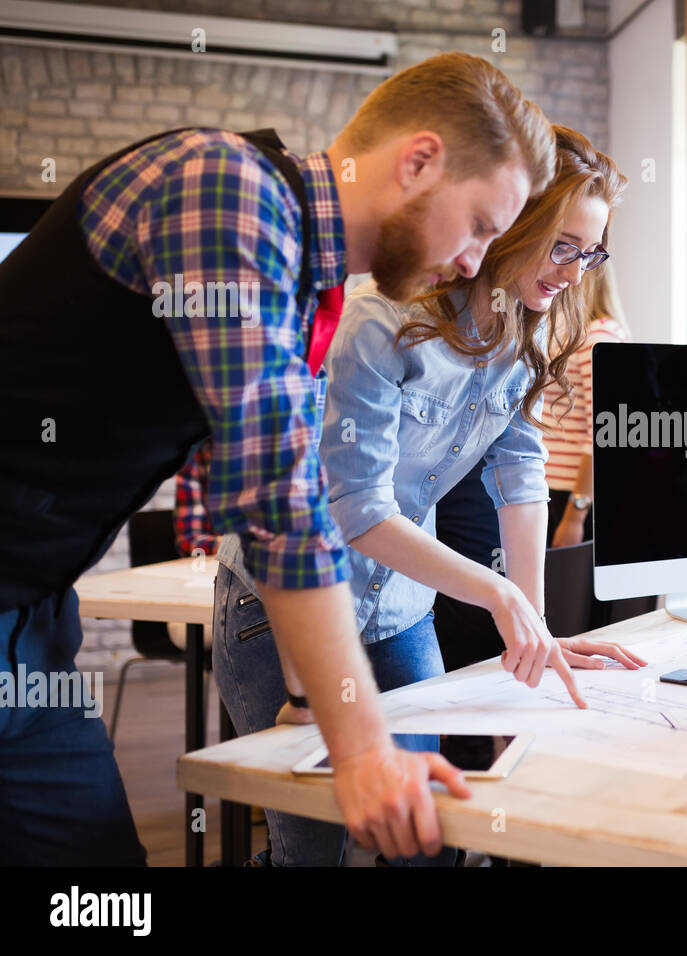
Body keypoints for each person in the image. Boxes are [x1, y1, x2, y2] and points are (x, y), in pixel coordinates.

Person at [0, 51, 554, 866]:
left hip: (32, 620)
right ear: (419, 160)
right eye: (478, 225)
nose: (477, 263)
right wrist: (363, 743)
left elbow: (278, 503)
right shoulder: (225, 188)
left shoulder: (298, 285)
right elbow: (278, 498)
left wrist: (306, 699)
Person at [213, 125, 647, 865]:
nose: (575, 272)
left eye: (592, 251)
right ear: (514, 224)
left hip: (401, 611)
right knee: (315, 847)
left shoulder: (526, 331)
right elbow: (359, 509)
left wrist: (534, 625)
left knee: (429, 838)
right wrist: (501, 598)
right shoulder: (380, 325)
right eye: (563, 245)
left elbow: (520, 468)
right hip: (283, 611)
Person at [541, 264, 629, 547]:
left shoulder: (598, 339)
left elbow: (603, 438)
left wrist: (574, 517)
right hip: (558, 491)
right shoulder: (578, 334)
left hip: (573, 497)